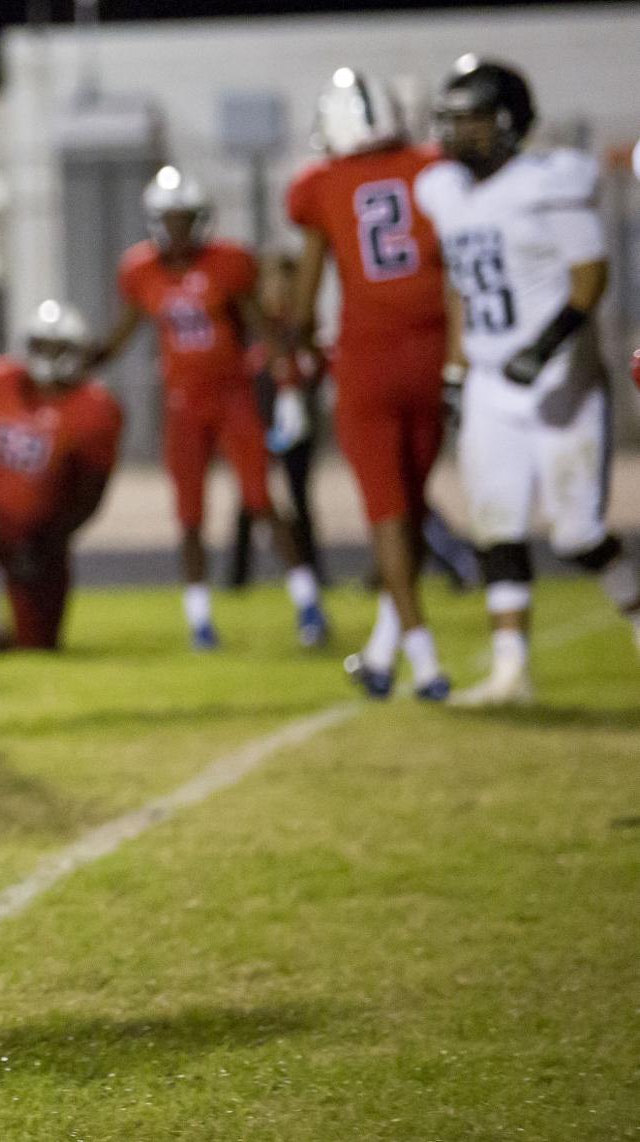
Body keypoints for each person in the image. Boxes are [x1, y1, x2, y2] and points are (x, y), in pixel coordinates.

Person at [416, 55, 640, 705]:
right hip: (491, 377)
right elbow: (461, 288)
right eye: (450, 120)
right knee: (496, 524)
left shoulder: (551, 180)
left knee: (575, 533)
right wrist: (457, 370)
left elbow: (589, 278)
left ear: (511, 122)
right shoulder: (446, 192)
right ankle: (511, 670)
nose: (458, 134)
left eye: (473, 120)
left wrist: (541, 351)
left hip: (560, 377)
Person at [84, 167, 328, 652]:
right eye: (169, 219)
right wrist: (86, 359)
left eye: (184, 219)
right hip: (182, 404)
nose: (177, 229)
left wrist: (287, 389)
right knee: (190, 515)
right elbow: (124, 332)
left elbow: (260, 329)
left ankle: (308, 605)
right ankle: (199, 619)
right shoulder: (140, 270)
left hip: (233, 396)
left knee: (262, 501)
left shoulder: (228, 264)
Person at [285, 67, 453, 700]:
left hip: (367, 360)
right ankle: (382, 657)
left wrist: (298, 354)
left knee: (386, 511)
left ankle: (426, 661)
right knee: (407, 508)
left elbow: (303, 306)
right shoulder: (431, 168)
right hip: (437, 352)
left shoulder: (321, 184)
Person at [0, 299, 123, 655]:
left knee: (38, 645)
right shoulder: (0, 380)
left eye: (57, 347)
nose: (47, 355)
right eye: (41, 345)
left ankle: (11, 634)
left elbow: (91, 494)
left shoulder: (96, 407)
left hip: (43, 534)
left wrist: (51, 539)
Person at [228, 252, 325, 590]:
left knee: (299, 497)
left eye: (286, 283)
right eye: (272, 283)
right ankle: (237, 577)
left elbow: (317, 365)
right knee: (250, 496)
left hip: (297, 419)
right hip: (257, 417)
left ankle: (314, 570)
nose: (279, 291)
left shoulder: (302, 327)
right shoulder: (252, 324)